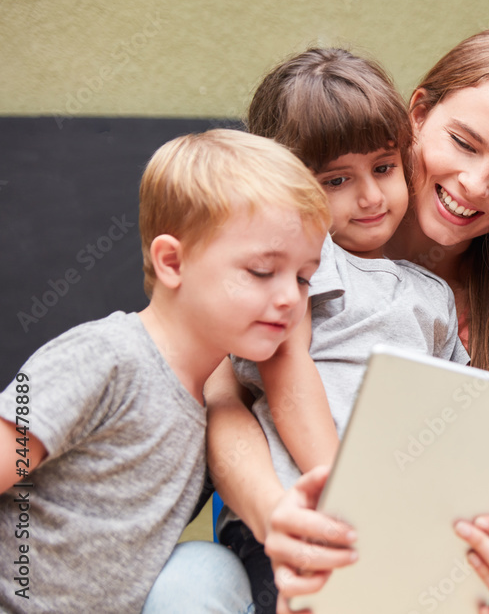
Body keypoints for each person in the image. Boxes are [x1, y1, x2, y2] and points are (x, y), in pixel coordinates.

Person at [202, 28, 489, 614]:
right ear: (418, 114)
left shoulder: (468, 302)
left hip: (422, 545)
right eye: (463, 142)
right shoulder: (296, 260)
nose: (475, 184)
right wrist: (335, 505)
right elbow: (234, 394)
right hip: (299, 522)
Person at [0, 129, 331, 613]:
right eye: (262, 270)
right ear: (172, 262)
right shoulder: (104, 356)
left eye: (303, 277)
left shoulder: (215, 408)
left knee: (207, 566)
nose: (289, 297)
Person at [216, 47, 470, 614]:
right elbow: (289, 372)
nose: (372, 196)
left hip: (399, 523)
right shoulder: (305, 258)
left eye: (384, 168)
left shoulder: (430, 294)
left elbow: (456, 400)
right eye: (337, 180)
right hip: (302, 511)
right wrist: (344, 488)